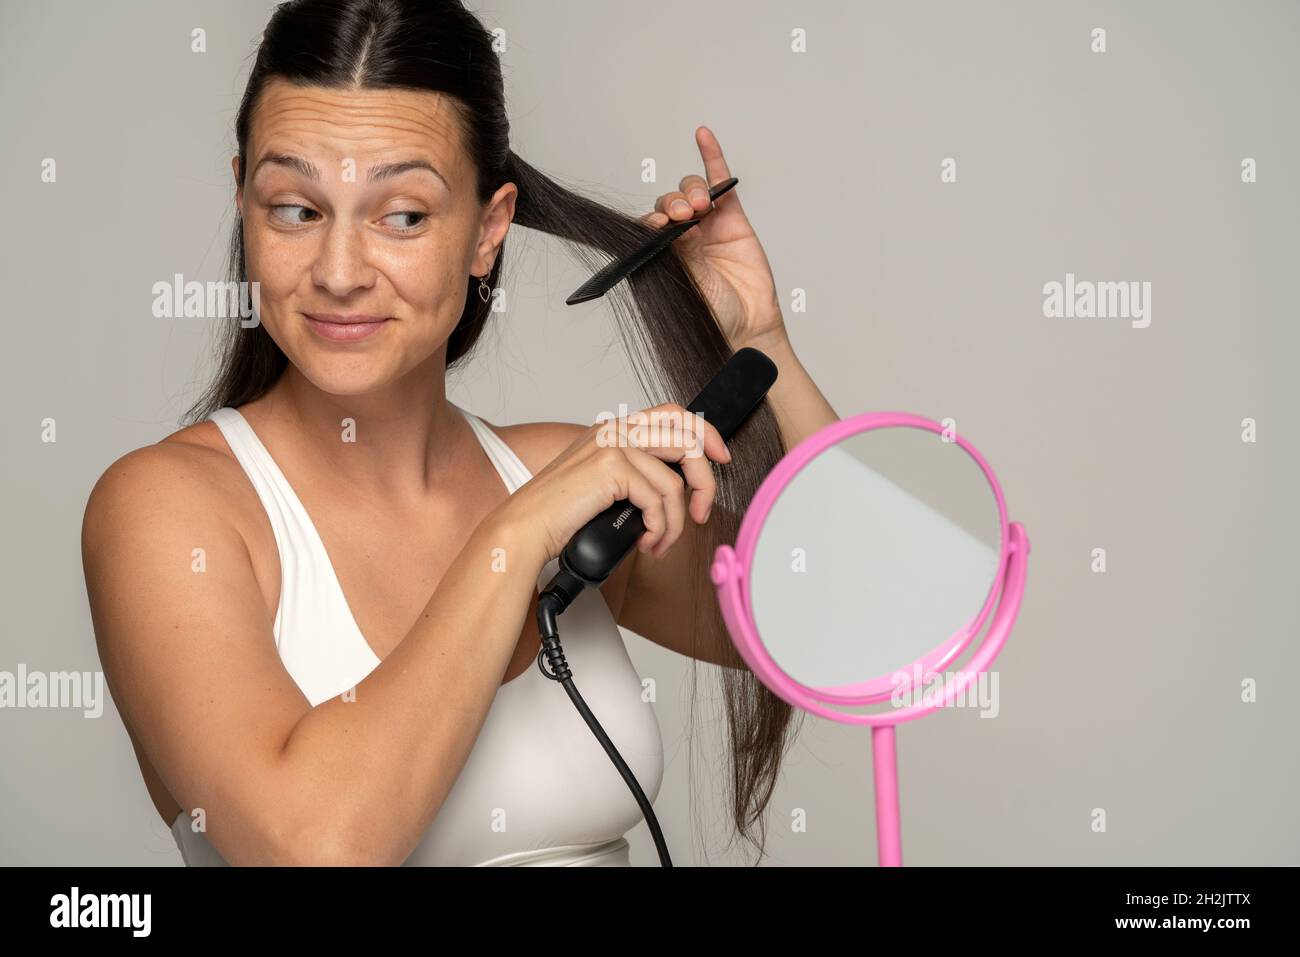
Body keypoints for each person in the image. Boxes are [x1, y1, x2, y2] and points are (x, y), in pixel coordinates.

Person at [81, 0, 838, 866]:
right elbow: (317, 847)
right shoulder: (167, 511)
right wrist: (515, 539)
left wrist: (759, 342)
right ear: (243, 203)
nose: (337, 272)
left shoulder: (567, 476)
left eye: (401, 215)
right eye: (295, 209)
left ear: (488, 229)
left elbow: (858, 629)